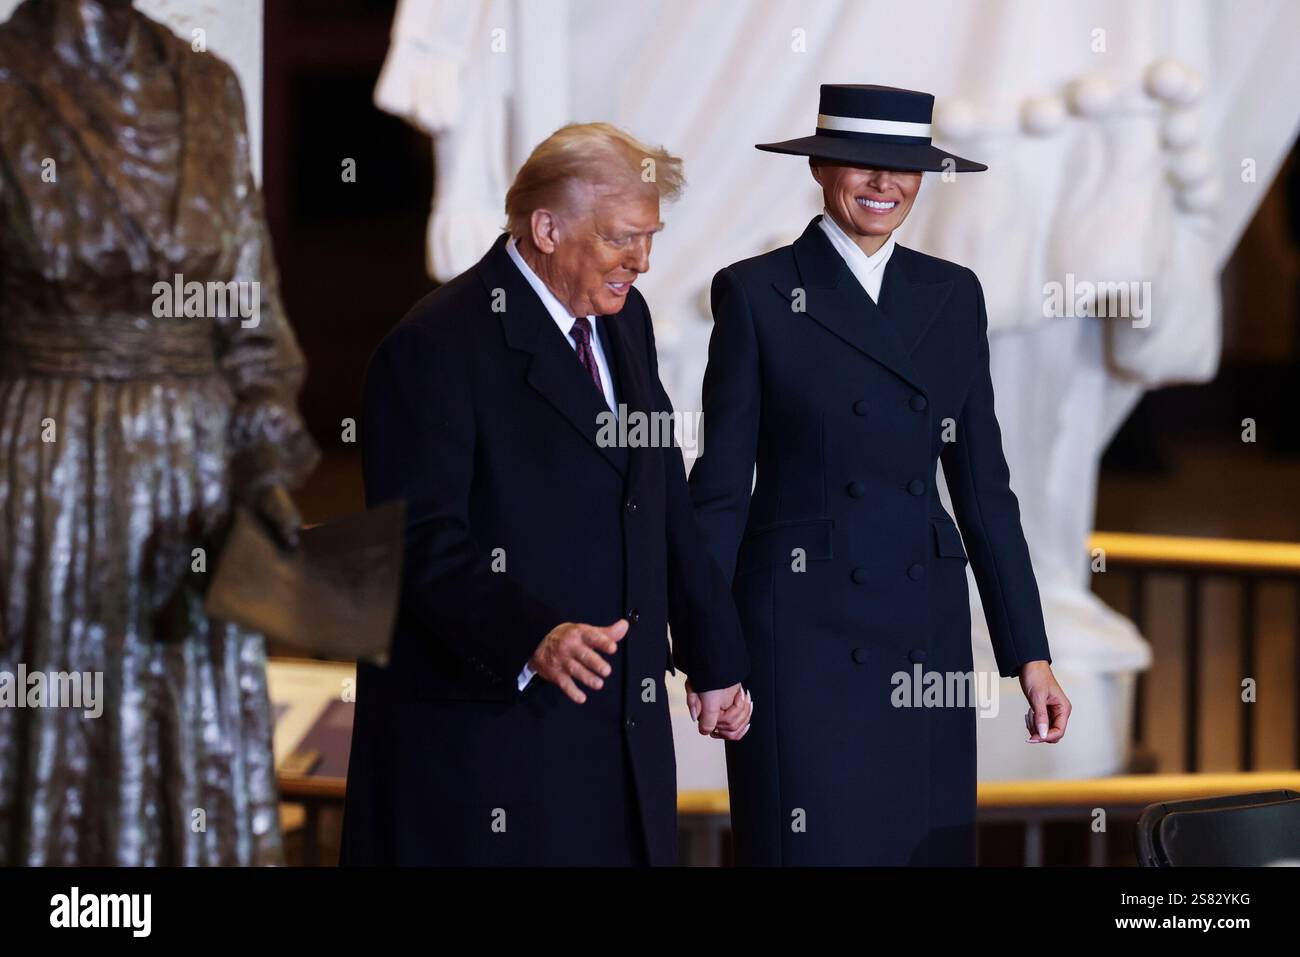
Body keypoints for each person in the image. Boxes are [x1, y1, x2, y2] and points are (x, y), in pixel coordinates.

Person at [341, 122, 751, 866]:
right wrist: (533, 633)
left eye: (650, 237)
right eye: (622, 238)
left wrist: (713, 654)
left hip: (619, 741)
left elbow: (657, 499)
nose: (643, 262)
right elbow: (416, 540)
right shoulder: (434, 347)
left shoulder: (625, 323)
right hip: (494, 748)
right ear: (547, 228)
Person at [688, 84, 1072, 865]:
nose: (883, 184)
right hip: (797, 635)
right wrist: (709, 652)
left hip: (920, 633)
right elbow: (722, 489)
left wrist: (1029, 653)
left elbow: (984, 489)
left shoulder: (952, 294)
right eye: (863, 164)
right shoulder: (757, 292)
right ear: (822, 167)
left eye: (903, 167)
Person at [0, 0, 316, 865]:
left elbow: (248, 312)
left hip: (190, 470)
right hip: (42, 466)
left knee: (188, 719)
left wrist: (261, 473)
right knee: (54, 714)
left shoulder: (209, 89)